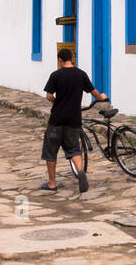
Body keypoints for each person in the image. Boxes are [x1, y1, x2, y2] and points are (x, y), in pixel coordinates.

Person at [42, 48, 109, 193]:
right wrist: (101, 97)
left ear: (60, 60)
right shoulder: (81, 74)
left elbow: (48, 96)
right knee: (74, 149)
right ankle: (80, 171)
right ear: (71, 59)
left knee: (50, 151)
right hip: (74, 119)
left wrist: (57, 102)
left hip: (57, 120)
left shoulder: (55, 75)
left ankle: (52, 183)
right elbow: (93, 91)